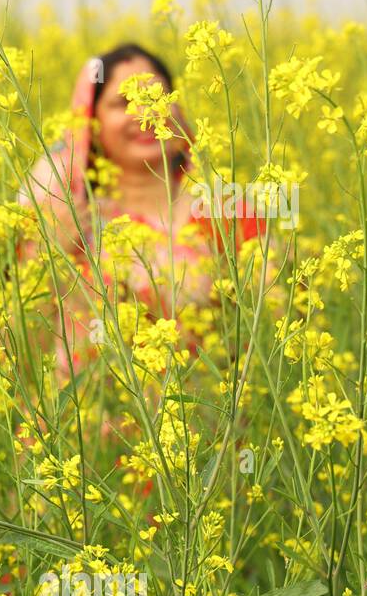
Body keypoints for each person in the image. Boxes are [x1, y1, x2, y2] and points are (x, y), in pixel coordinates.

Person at [21, 42, 266, 377]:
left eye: (157, 98)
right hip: (82, 423)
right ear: (90, 122)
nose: (145, 112)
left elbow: (275, 332)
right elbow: (18, 348)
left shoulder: (226, 211)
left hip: (198, 421)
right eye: (123, 102)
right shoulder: (63, 214)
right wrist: (48, 256)